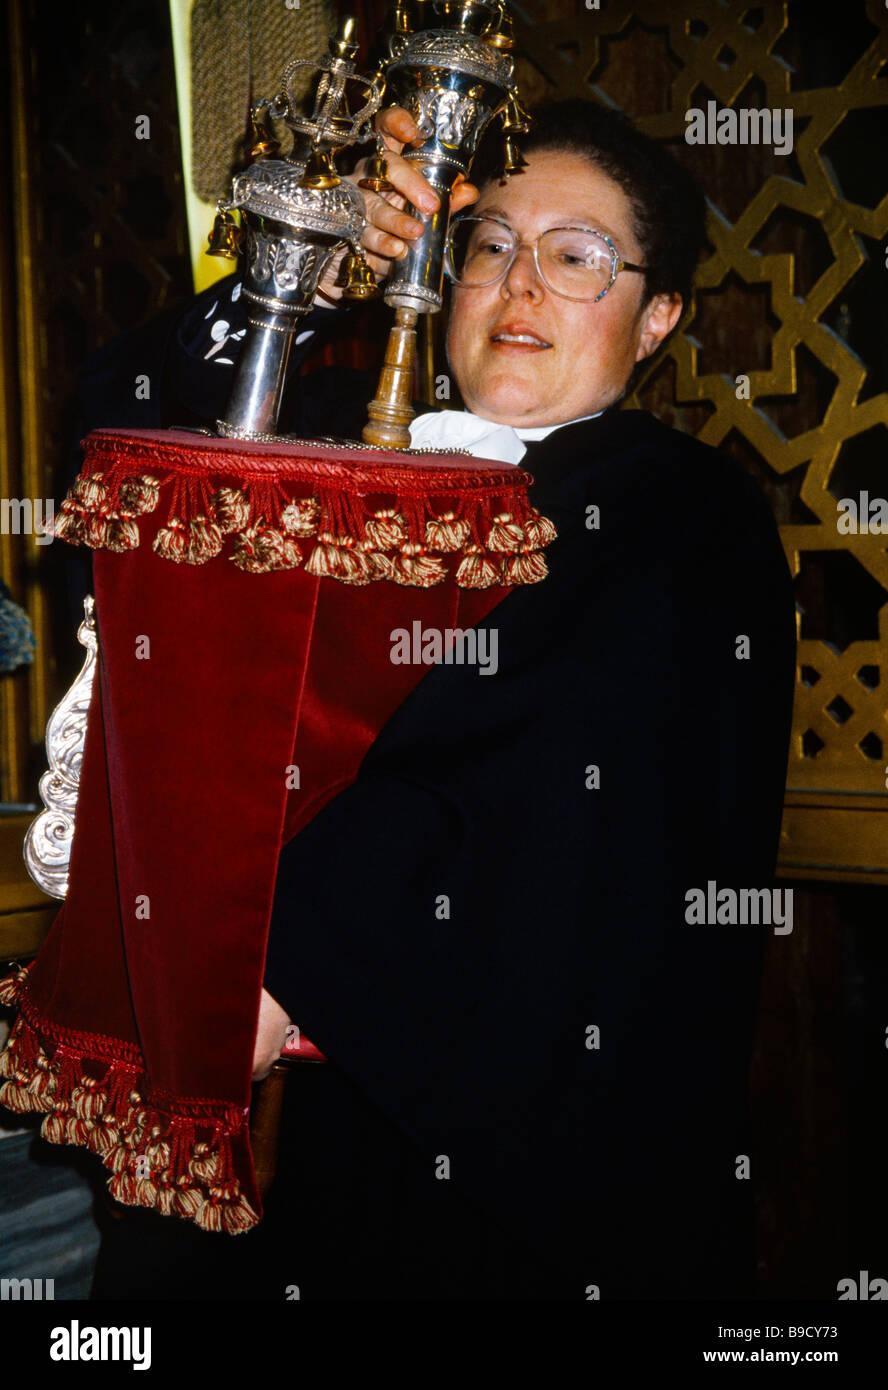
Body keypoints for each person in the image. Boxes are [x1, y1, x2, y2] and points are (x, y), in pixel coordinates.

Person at [81, 98, 796, 1300]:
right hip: (295, 1100)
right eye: (490, 245)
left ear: (657, 314)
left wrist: (274, 957)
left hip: (506, 1140)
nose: (521, 285)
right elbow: (116, 435)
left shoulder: (679, 515)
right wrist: (299, 280)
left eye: (578, 257)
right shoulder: (358, 458)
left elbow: (535, 776)